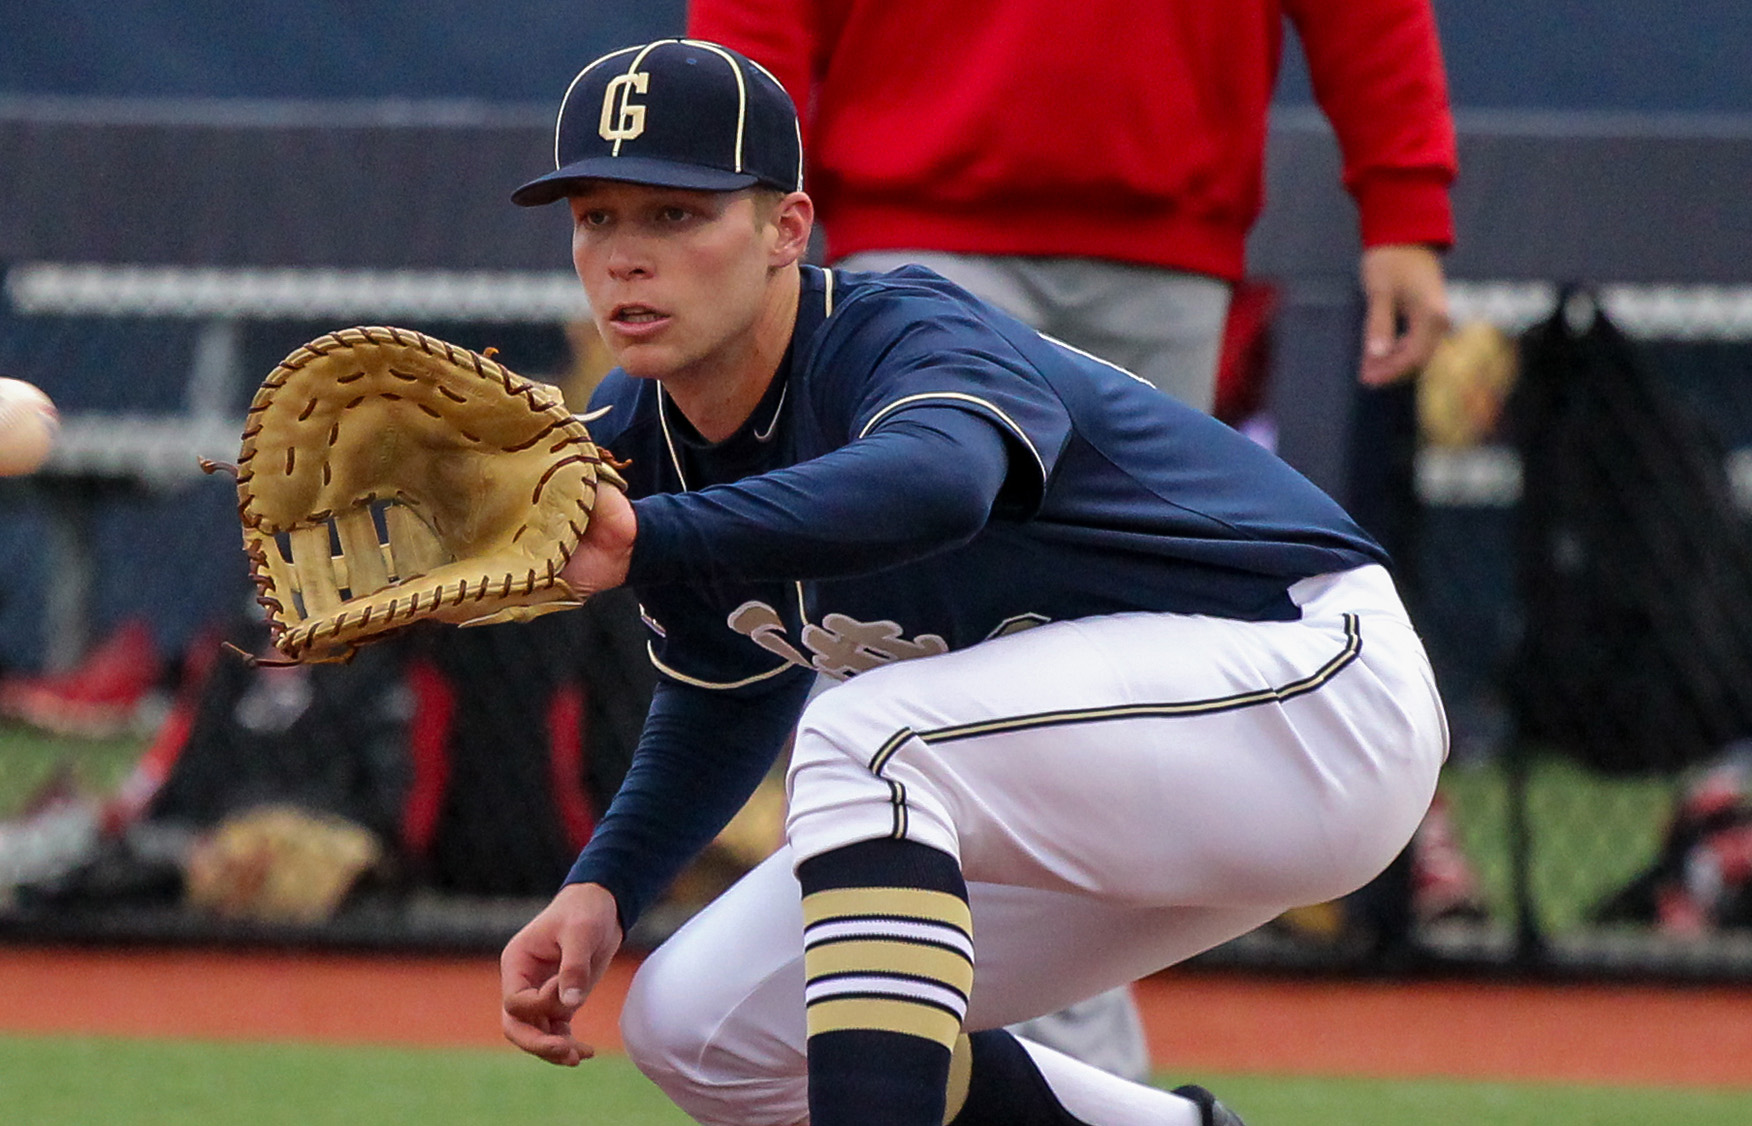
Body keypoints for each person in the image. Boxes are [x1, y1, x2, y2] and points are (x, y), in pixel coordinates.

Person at [499, 40, 1448, 1126]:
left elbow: (938, 481)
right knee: (701, 1024)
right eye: (596, 217)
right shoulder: (638, 443)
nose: (624, 255)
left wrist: (657, 536)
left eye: (675, 215)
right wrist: (605, 884)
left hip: (1310, 686)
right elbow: (726, 684)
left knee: (867, 737)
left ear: (784, 230)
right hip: (1118, 767)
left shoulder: (898, 332)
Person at [687, 0, 1459, 415]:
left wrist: (1406, 205)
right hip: (916, 248)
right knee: (917, 605)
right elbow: (755, 20)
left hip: (1166, 264)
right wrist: (736, 197)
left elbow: (1368, 15)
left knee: (1138, 624)